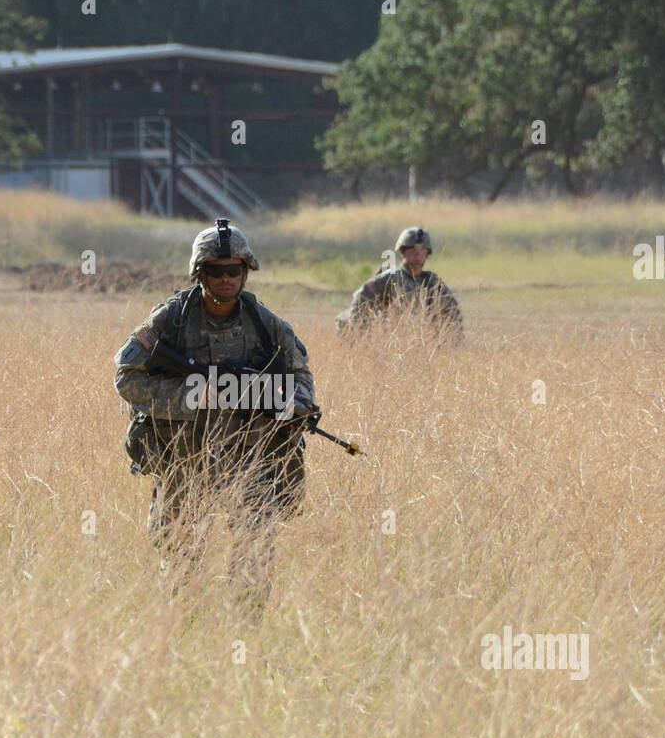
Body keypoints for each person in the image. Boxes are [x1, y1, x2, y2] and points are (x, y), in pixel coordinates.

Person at [114, 219, 317, 611]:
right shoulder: (170, 320)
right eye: (215, 271)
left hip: (252, 458)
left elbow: (301, 377)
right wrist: (192, 396)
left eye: (234, 271)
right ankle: (183, 636)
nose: (226, 279)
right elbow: (126, 378)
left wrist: (292, 405)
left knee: (254, 555)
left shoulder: (266, 324)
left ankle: (246, 636)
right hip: (185, 458)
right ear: (199, 272)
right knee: (180, 558)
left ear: (246, 272)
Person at [336, 226, 463, 340]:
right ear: (403, 252)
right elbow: (359, 306)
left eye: (421, 252)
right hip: (388, 343)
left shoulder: (434, 285)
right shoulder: (389, 280)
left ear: (427, 255)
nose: (417, 256)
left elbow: (453, 319)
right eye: (412, 252)